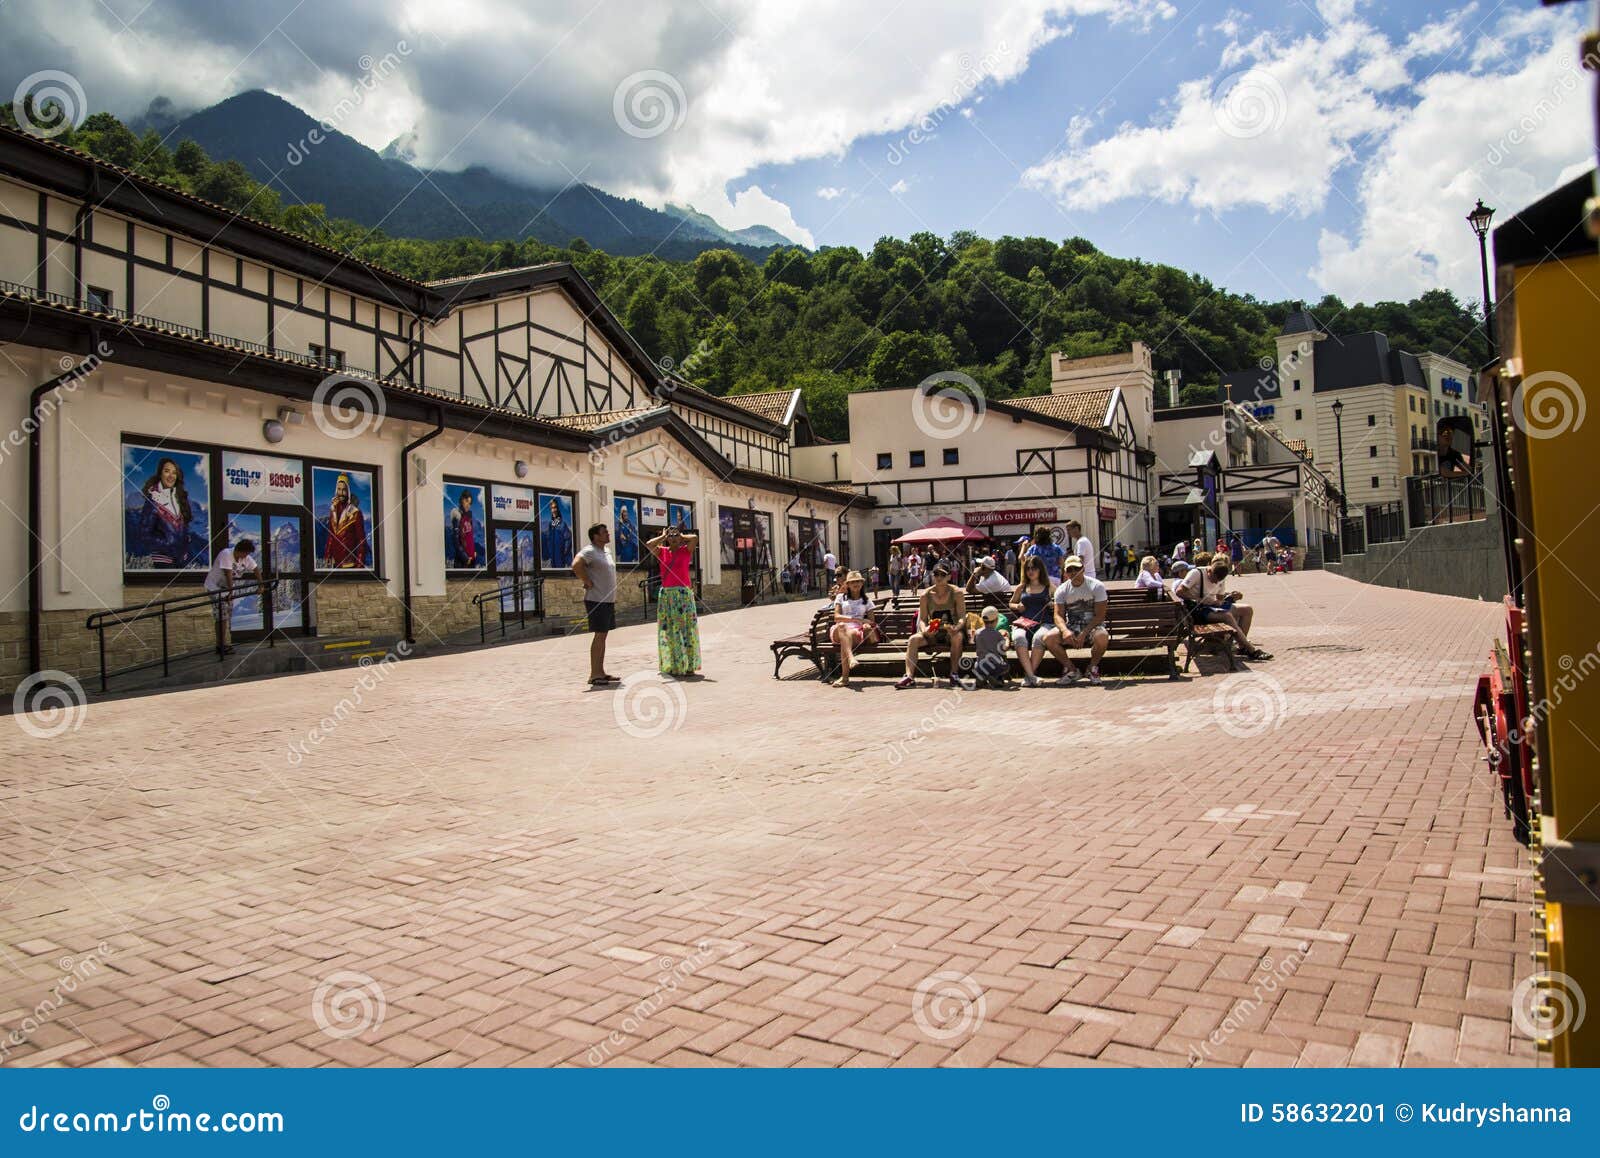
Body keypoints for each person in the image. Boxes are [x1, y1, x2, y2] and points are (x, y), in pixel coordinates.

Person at [1176, 554, 1272, 661]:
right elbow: (1179, 591)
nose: (1216, 582)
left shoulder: (1220, 578)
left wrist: (1228, 598)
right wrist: (1199, 598)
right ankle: (1252, 650)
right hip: (1197, 610)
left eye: (1219, 581)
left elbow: (1220, 599)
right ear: (1209, 571)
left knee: (1247, 609)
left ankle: (1241, 646)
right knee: (1227, 616)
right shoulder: (1196, 573)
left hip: (1212, 607)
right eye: (1214, 579)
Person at [896, 562, 967, 690]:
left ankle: (954, 674)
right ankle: (909, 677)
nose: (939, 577)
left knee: (957, 637)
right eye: (936, 574)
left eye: (943, 574)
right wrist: (925, 630)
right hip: (932, 633)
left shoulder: (956, 593)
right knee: (913, 640)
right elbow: (922, 619)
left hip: (951, 631)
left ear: (949, 576)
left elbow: (962, 616)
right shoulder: (925, 595)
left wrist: (956, 628)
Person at [1046, 554, 1109, 686]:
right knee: (1049, 638)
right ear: (1065, 573)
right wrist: (1065, 631)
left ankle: (1092, 668)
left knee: (1102, 636)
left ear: (1083, 569)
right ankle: (1072, 670)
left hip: (1093, 626)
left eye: (1076, 568)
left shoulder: (1096, 586)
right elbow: (1058, 615)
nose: (1073, 572)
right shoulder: (1062, 590)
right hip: (1073, 625)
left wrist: (1084, 633)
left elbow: (1100, 616)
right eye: (1070, 570)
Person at [648, 525, 702, 676]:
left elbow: (695, 538)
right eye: (670, 536)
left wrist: (680, 536)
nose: (673, 538)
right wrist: (663, 536)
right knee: (670, 631)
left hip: (683, 594)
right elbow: (649, 544)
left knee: (686, 630)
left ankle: (689, 665)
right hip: (667, 596)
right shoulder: (662, 552)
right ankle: (673, 664)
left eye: (675, 535)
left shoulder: (686, 550)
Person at [573, 523, 619, 687]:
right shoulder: (590, 550)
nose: (608, 534)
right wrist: (586, 580)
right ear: (595, 536)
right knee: (599, 635)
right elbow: (576, 564)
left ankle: (601, 671)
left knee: (603, 635)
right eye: (604, 532)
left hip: (607, 599)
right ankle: (594, 674)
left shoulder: (606, 551)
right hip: (596, 599)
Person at [137, 456, 196, 568]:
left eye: (174, 473)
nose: (171, 476)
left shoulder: (179, 499)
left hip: (181, 560)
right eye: (167, 471)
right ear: (160, 474)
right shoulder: (153, 500)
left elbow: (182, 527)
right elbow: (144, 535)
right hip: (163, 559)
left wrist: (185, 540)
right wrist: (168, 544)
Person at [1007, 556, 1055, 688]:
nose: (1030, 571)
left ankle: (1029, 676)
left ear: (1040, 569)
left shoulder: (1049, 587)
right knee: (1018, 637)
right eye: (1027, 568)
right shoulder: (1021, 587)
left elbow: (1060, 603)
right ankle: (1032, 676)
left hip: (1044, 623)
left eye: (1033, 568)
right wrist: (1017, 607)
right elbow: (1011, 603)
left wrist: (1053, 603)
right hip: (1024, 622)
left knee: (1039, 637)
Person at [204, 537, 258, 655]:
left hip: (227, 589)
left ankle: (222, 644)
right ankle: (221, 645)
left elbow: (255, 568)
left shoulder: (245, 558)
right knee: (222, 616)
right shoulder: (226, 554)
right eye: (246, 553)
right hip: (214, 587)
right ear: (240, 551)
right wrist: (230, 593)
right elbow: (228, 574)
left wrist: (261, 585)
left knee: (225, 616)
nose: (246, 556)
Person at [829, 571, 877, 688]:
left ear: (862, 584)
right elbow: (836, 617)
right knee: (841, 627)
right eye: (853, 582)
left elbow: (872, 621)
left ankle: (845, 678)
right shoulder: (841, 597)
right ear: (848, 585)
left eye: (858, 581)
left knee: (845, 640)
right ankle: (851, 658)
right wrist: (856, 619)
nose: (856, 584)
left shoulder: (867, 601)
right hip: (838, 629)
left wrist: (867, 625)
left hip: (855, 631)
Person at [321, 472, 369, 569]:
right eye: (339, 489)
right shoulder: (333, 510)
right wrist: (327, 557)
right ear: (336, 490)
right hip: (335, 564)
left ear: (348, 491)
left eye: (344, 490)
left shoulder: (355, 513)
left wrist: (359, 566)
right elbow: (331, 536)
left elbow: (361, 541)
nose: (341, 493)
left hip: (349, 564)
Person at [971, 606, 1011, 689]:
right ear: (996, 620)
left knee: (979, 665)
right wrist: (1007, 639)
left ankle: (981, 678)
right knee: (1006, 666)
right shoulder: (997, 634)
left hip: (979, 665)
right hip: (994, 665)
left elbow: (974, 641)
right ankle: (995, 677)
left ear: (982, 620)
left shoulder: (977, 632)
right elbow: (1004, 648)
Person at [450, 490, 482, 568]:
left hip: (471, 559)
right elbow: (456, 541)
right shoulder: (457, 515)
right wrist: (465, 558)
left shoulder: (468, 517)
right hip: (462, 561)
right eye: (466, 501)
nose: (468, 505)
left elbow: (469, 537)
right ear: (462, 500)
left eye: (470, 503)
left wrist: (473, 552)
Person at [541, 497, 573, 570]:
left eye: (555, 508)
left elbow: (568, 538)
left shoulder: (562, 524)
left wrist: (563, 552)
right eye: (551, 508)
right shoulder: (551, 525)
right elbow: (548, 539)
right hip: (553, 557)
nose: (553, 510)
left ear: (558, 508)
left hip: (560, 558)